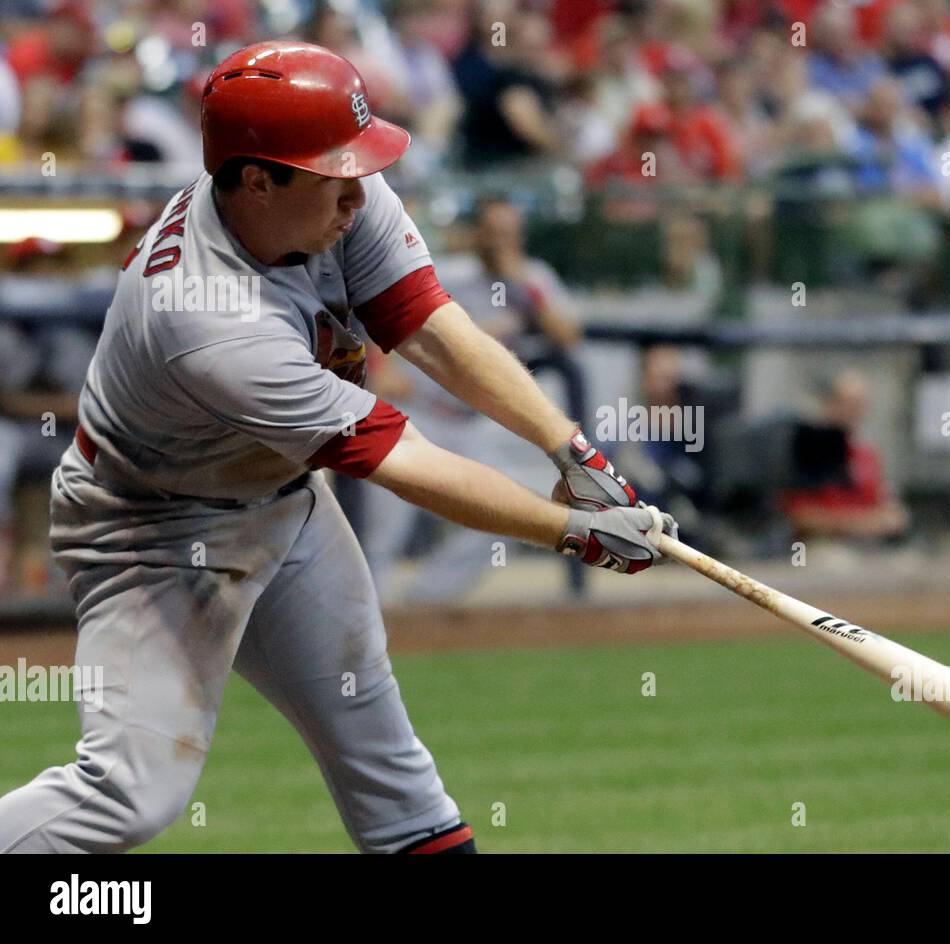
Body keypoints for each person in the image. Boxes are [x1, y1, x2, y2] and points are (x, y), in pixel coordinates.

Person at [0, 41, 674, 855]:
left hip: (281, 501)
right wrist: (567, 531)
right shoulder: (204, 318)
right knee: (130, 794)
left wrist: (574, 453)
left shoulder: (329, 193)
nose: (360, 191)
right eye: (335, 174)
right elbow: (407, 459)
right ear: (255, 179)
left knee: (392, 771)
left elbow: (429, 329)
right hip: (152, 532)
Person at [362, 195, 584, 603]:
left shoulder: (533, 277)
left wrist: (520, 280)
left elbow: (568, 337)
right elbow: (376, 305)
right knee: (384, 522)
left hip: (477, 423)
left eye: (509, 233)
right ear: (477, 233)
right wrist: (381, 368)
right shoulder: (446, 271)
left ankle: (422, 609)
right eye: (494, 232)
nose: (501, 241)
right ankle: (371, 615)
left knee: (502, 514)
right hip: (419, 412)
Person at [780, 370, 909, 544]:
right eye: (847, 403)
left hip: (869, 547)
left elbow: (892, 515)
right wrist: (859, 524)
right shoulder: (806, 448)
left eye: (860, 404)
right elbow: (800, 517)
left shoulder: (866, 454)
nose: (854, 411)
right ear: (830, 402)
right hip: (821, 546)